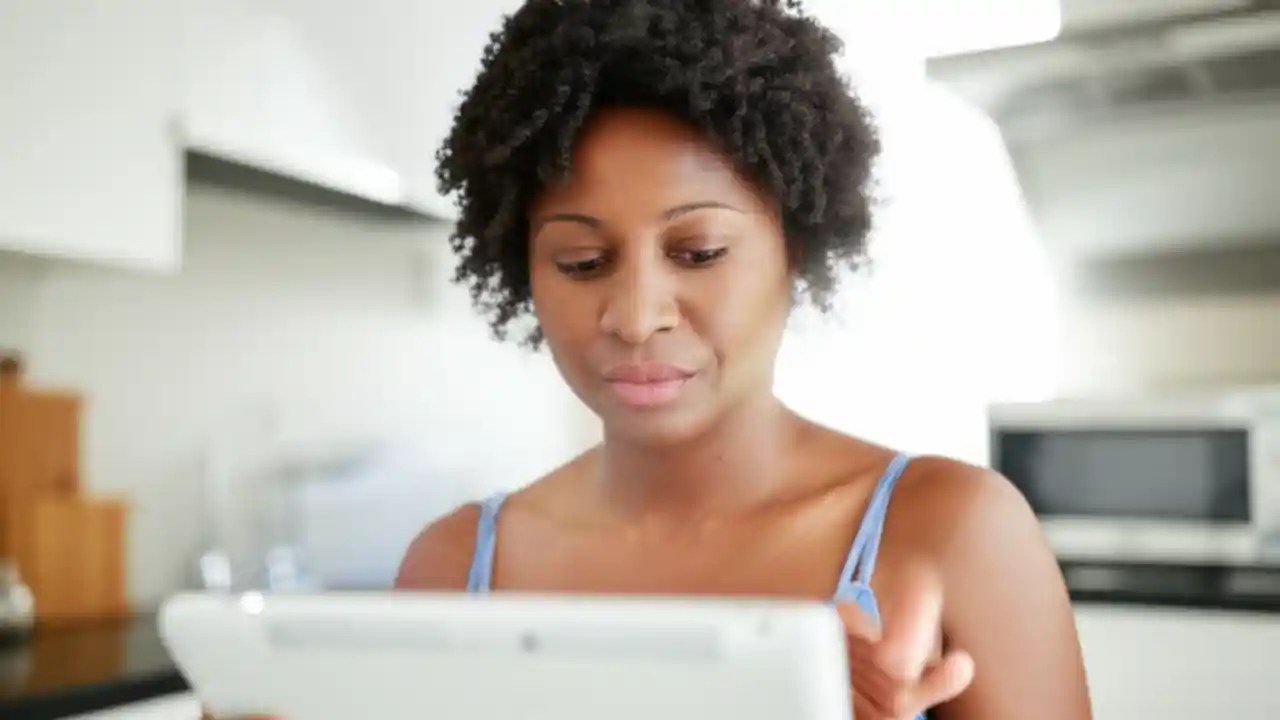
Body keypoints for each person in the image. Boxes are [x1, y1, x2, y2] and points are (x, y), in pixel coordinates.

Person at [396, 1, 1092, 718]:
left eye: (699, 254)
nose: (636, 318)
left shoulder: (956, 532)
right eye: (582, 262)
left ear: (797, 248)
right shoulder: (451, 567)